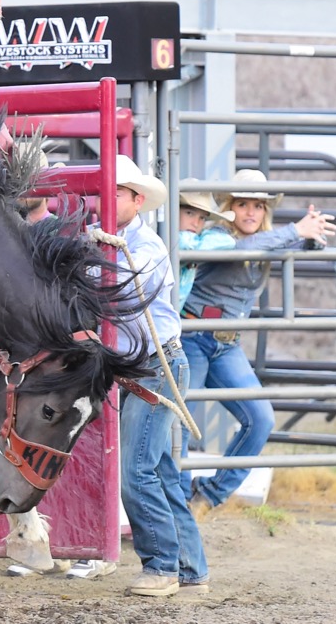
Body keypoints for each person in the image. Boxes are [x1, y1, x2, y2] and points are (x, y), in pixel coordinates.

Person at [180, 169, 336, 511]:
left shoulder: (267, 239)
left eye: (259, 206)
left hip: (226, 345)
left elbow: (288, 243)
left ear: (266, 212)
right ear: (230, 207)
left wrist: (310, 236)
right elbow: (247, 248)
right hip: (192, 336)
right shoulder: (217, 236)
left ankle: (207, 496)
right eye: (242, 204)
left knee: (260, 418)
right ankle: (174, 503)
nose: (251, 212)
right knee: (180, 423)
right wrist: (296, 230)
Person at [110, 155, 210, 598]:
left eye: (116, 192)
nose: (107, 200)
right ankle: (190, 568)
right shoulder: (111, 244)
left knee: (136, 470)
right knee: (160, 470)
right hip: (144, 367)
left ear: (137, 199)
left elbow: (121, 294)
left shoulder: (143, 248)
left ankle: (161, 566)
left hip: (157, 366)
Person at [177, 190, 235, 306]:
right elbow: (183, 242)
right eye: (189, 213)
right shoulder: (168, 239)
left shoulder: (196, 241)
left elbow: (229, 242)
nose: (196, 223)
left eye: (202, 218)